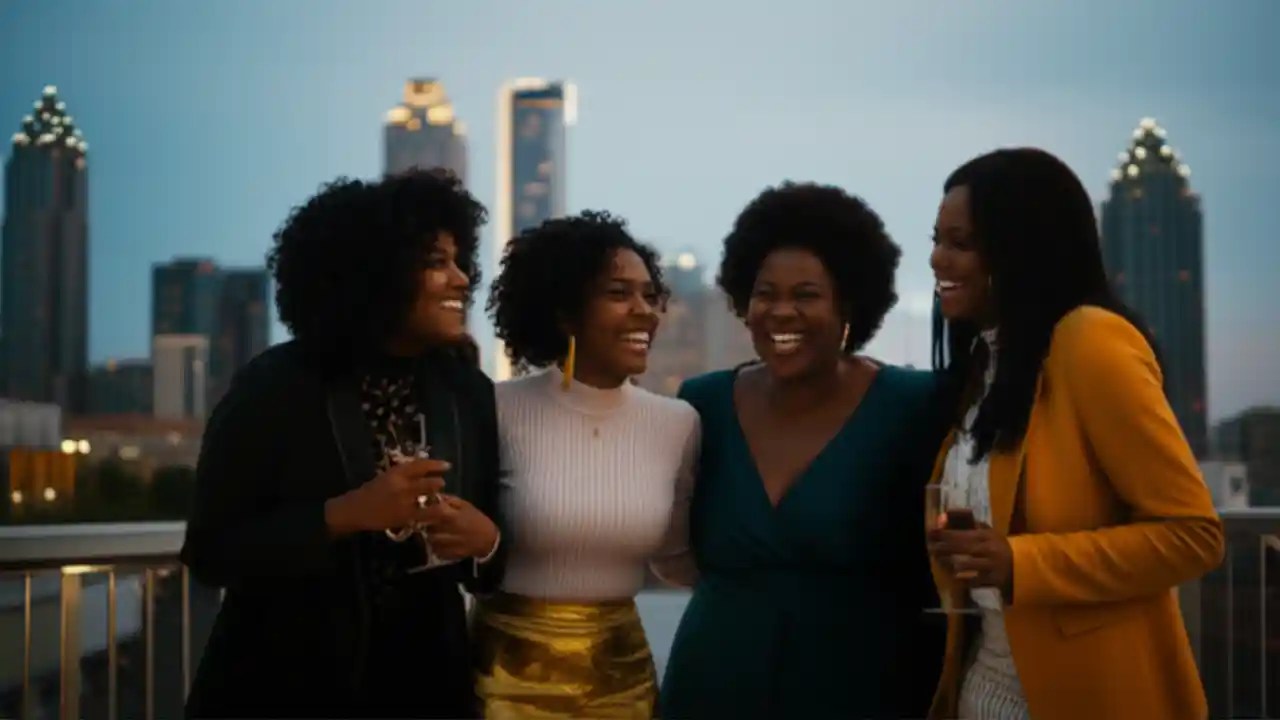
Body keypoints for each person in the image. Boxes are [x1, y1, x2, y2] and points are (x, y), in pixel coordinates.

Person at [180, 169, 505, 719]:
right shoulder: (275, 386)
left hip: (428, 691)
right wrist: (343, 515)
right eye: (436, 262)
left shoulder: (466, 392)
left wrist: (488, 542)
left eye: (459, 261)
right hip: (285, 689)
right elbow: (211, 552)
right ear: (374, 272)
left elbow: (493, 554)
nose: (461, 279)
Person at [924, 148, 1224, 720]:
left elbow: (1193, 535)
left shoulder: (1090, 341)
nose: (938, 258)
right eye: (936, 240)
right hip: (981, 690)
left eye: (960, 243)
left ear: (1020, 247)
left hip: (1087, 695)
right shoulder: (989, 363)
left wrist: (1021, 563)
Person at [660, 182, 947, 718]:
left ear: (849, 305)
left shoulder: (914, 404)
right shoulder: (703, 403)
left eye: (806, 295)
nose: (781, 311)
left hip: (865, 689)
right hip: (713, 684)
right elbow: (670, 550)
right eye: (765, 293)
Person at [474, 210, 699, 718]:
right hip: (505, 678)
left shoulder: (678, 423)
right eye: (619, 294)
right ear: (565, 312)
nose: (645, 311)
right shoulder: (495, 410)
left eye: (650, 295)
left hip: (622, 679)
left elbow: (677, 556)